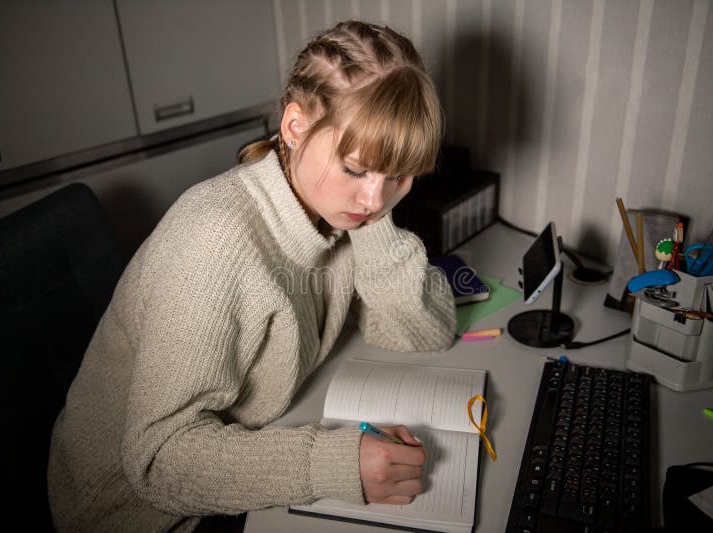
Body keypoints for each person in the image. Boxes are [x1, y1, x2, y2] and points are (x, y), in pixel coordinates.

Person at [47, 20, 456, 532]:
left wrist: (373, 220)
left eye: (399, 175)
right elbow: (157, 461)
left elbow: (422, 331)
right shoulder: (214, 241)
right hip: (137, 513)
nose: (376, 198)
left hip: (249, 440)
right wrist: (335, 463)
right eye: (355, 170)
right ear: (294, 127)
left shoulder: (342, 210)